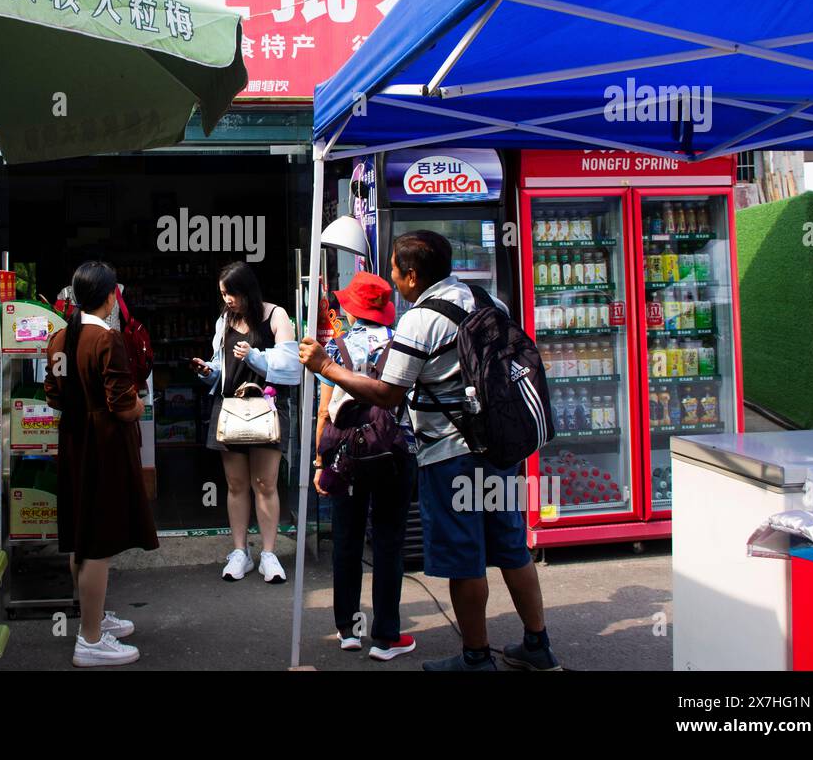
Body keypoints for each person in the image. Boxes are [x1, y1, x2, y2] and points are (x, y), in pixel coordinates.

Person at [300, 231, 560, 671]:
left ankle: (476, 657)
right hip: (500, 450)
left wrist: (327, 367)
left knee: (466, 559)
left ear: (413, 274)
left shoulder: (421, 321)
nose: (394, 280)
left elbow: (387, 393)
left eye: (396, 272)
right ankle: (537, 644)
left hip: (452, 454)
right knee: (512, 547)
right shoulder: (487, 301)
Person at [44, 261, 158, 667]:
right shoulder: (108, 339)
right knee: (98, 543)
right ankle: (90, 640)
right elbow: (123, 404)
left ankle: (92, 621)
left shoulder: (59, 337)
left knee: (81, 533)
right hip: (104, 446)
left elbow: (53, 394)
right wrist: (140, 404)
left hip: (74, 441)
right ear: (111, 297)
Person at [313, 271, 416, 661]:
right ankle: (387, 637)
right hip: (393, 452)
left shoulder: (336, 347)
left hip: (348, 455)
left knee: (348, 539)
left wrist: (321, 461)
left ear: (353, 310)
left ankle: (349, 631)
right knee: (389, 542)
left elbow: (326, 410)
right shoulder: (401, 345)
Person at [193, 261, 303, 583]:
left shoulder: (275, 315)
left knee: (265, 484)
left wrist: (254, 355)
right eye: (223, 294)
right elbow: (219, 365)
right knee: (236, 485)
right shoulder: (224, 320)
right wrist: (208, 371)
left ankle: (269, 554)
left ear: (247, 290)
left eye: (231, 293)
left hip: (266, 408)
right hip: (230, 407)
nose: (227, 300)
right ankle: (240, 552)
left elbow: (290, 366)